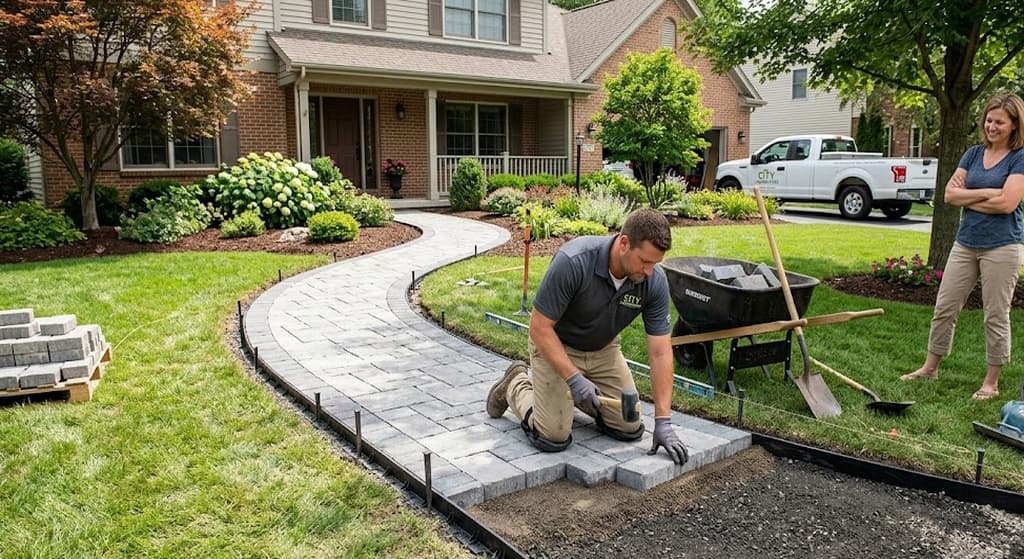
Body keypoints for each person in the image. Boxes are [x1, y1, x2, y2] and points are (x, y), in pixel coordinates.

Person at [486, 208, 689, 464]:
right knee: (553, 436)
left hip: (603, 350)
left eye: (655, 264)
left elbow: (660, 352)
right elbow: (539, 327)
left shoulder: (653, 281)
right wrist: (573, 378)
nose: (650, 271)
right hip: (556, 345)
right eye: (645, 262)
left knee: (629, 427)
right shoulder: (574, 261)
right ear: (624, 243)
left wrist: (663, 421)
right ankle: (516, 384)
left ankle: (575, 398)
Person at [900, 93, 1024, 400]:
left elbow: (1008, 204)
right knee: (945, 307)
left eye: (1000, 122)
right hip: (966, 242)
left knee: (995, 314)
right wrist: (988, 193)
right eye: (989, 120)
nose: (992, 126)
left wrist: (970, 194)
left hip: (1003, 245)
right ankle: (930, 367)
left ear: (1014, 125)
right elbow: (949, 196)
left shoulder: (1019, 157)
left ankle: (991, 382)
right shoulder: (971, 154)